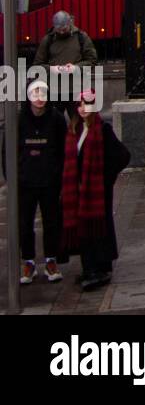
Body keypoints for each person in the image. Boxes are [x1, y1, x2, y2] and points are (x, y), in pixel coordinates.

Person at [61, 90, 130, 291]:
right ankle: (90, 266)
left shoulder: (102, 129)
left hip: (96, 191)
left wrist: (105, 178)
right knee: (85, 230)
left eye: (87, 104)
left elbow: (123, 156)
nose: (83, 109)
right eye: (80, 105)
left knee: (96, 229)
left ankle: (98, 268)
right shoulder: (75, 129)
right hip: (80, 190)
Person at [3, 80, 67, 284]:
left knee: (52, 222)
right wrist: (12, 179)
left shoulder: (56, 118)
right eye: (35, 93)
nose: (40, 98)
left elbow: (63, 149)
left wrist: (59, 175)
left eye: (43, 94)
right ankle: (28, 261)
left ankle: (51, 260)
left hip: (49, 181)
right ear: (29, 96)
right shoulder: (18, 120)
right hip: (25, 182)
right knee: (25, 223)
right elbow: (8, 152)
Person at [35, 11, 98, 110]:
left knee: (77, 122)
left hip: (76, 90)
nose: (61, 32)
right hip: (55, 91)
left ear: (70, 24)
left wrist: (76, 68)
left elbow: (92, 60)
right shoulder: (48, 40)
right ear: (54, 27)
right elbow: (38, 65)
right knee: (55, 123)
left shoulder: (81, 37)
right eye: (59, 30)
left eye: (64, 29)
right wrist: (52, 69)